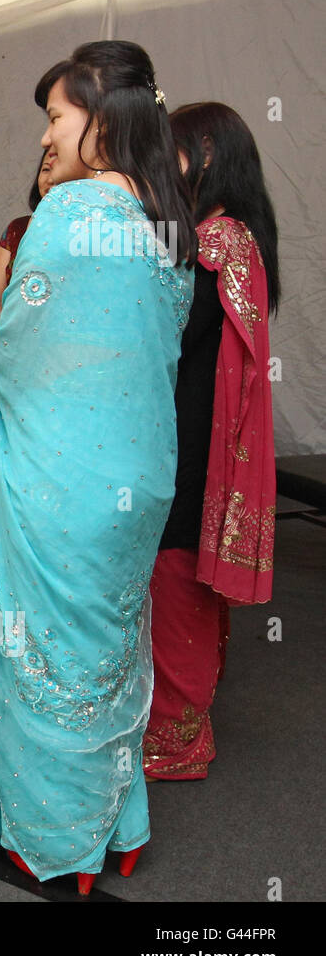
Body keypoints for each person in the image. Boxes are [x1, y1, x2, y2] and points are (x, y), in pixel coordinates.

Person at [0, 40, 195, 892]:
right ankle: (120, 828)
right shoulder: (170, 225)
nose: (47, 136)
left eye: (56, 115)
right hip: (137, 484)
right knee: (111, 652)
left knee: (41, 655)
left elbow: (15, 346)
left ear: (101, 115)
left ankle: (54, 843)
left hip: (59, 485)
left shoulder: (67, 214)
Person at [143, 102, 278, 780]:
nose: (166, 164)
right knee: (185, 576)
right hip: (205, 435)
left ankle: (178, 739)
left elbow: (173, 338)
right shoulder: (237, 237)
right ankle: (181, 721)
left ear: (207, 154)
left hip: (192, 440)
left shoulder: (215, 243)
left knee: (175, 575)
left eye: (175, 152)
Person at [0, 151, 54, 352]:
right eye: (46, 170)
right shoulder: (17, 229)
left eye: (59, 171)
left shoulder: (83, 235)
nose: (51, 179)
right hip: (12, 350)